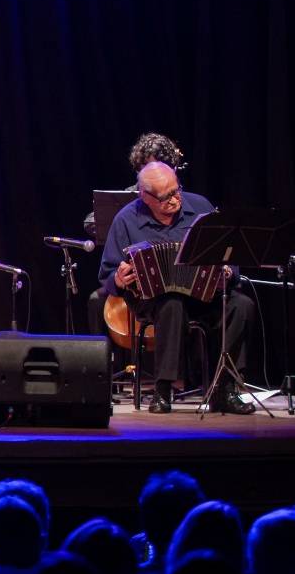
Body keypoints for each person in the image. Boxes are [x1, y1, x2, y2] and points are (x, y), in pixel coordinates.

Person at [98, 162, 255, 414]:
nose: (175, 199)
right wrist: (118, 278)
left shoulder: (201, 208)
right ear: (145, 196)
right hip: (152, 299)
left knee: (241, 304)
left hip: (203, 294)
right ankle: (163, 390)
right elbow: (106, 276)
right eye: (165, 196)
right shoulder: (126, 220)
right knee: (172, 302)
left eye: (176, 190)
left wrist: (228, 271)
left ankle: (224, 389)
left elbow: (229, 254)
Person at [82, 133, 187, 338]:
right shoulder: (130, 199)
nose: (149, 174)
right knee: (96, 300)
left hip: (172, 289)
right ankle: (104, 365)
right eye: (142, 168)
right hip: (132, 283)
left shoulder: (177, 199)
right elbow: (90, 222)